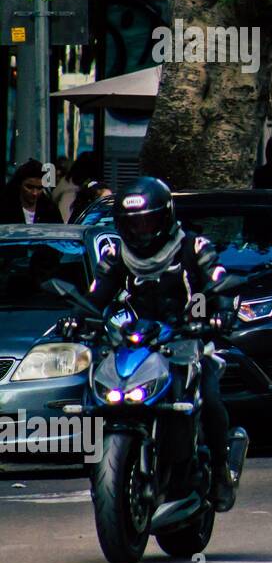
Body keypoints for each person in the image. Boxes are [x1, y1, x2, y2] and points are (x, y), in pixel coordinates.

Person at [86, 177, 239, 510]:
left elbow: (219, 283)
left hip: (187, 341)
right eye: (133, 224)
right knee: (97, 396)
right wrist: (77, 318)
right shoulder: (116, 255)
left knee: (211, 398)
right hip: (137, 343)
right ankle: (104, 473)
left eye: (147, 222)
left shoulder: (194, 248)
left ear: (166, 217)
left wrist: (222, 313)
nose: (140, 231)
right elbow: (96, 296)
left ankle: (220, 471)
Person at [2, 159, 63, 224]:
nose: (35, 193)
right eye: (29, 187)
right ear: (19, 184)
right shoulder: (4, 208)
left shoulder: (50, 210)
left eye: (39, 188)